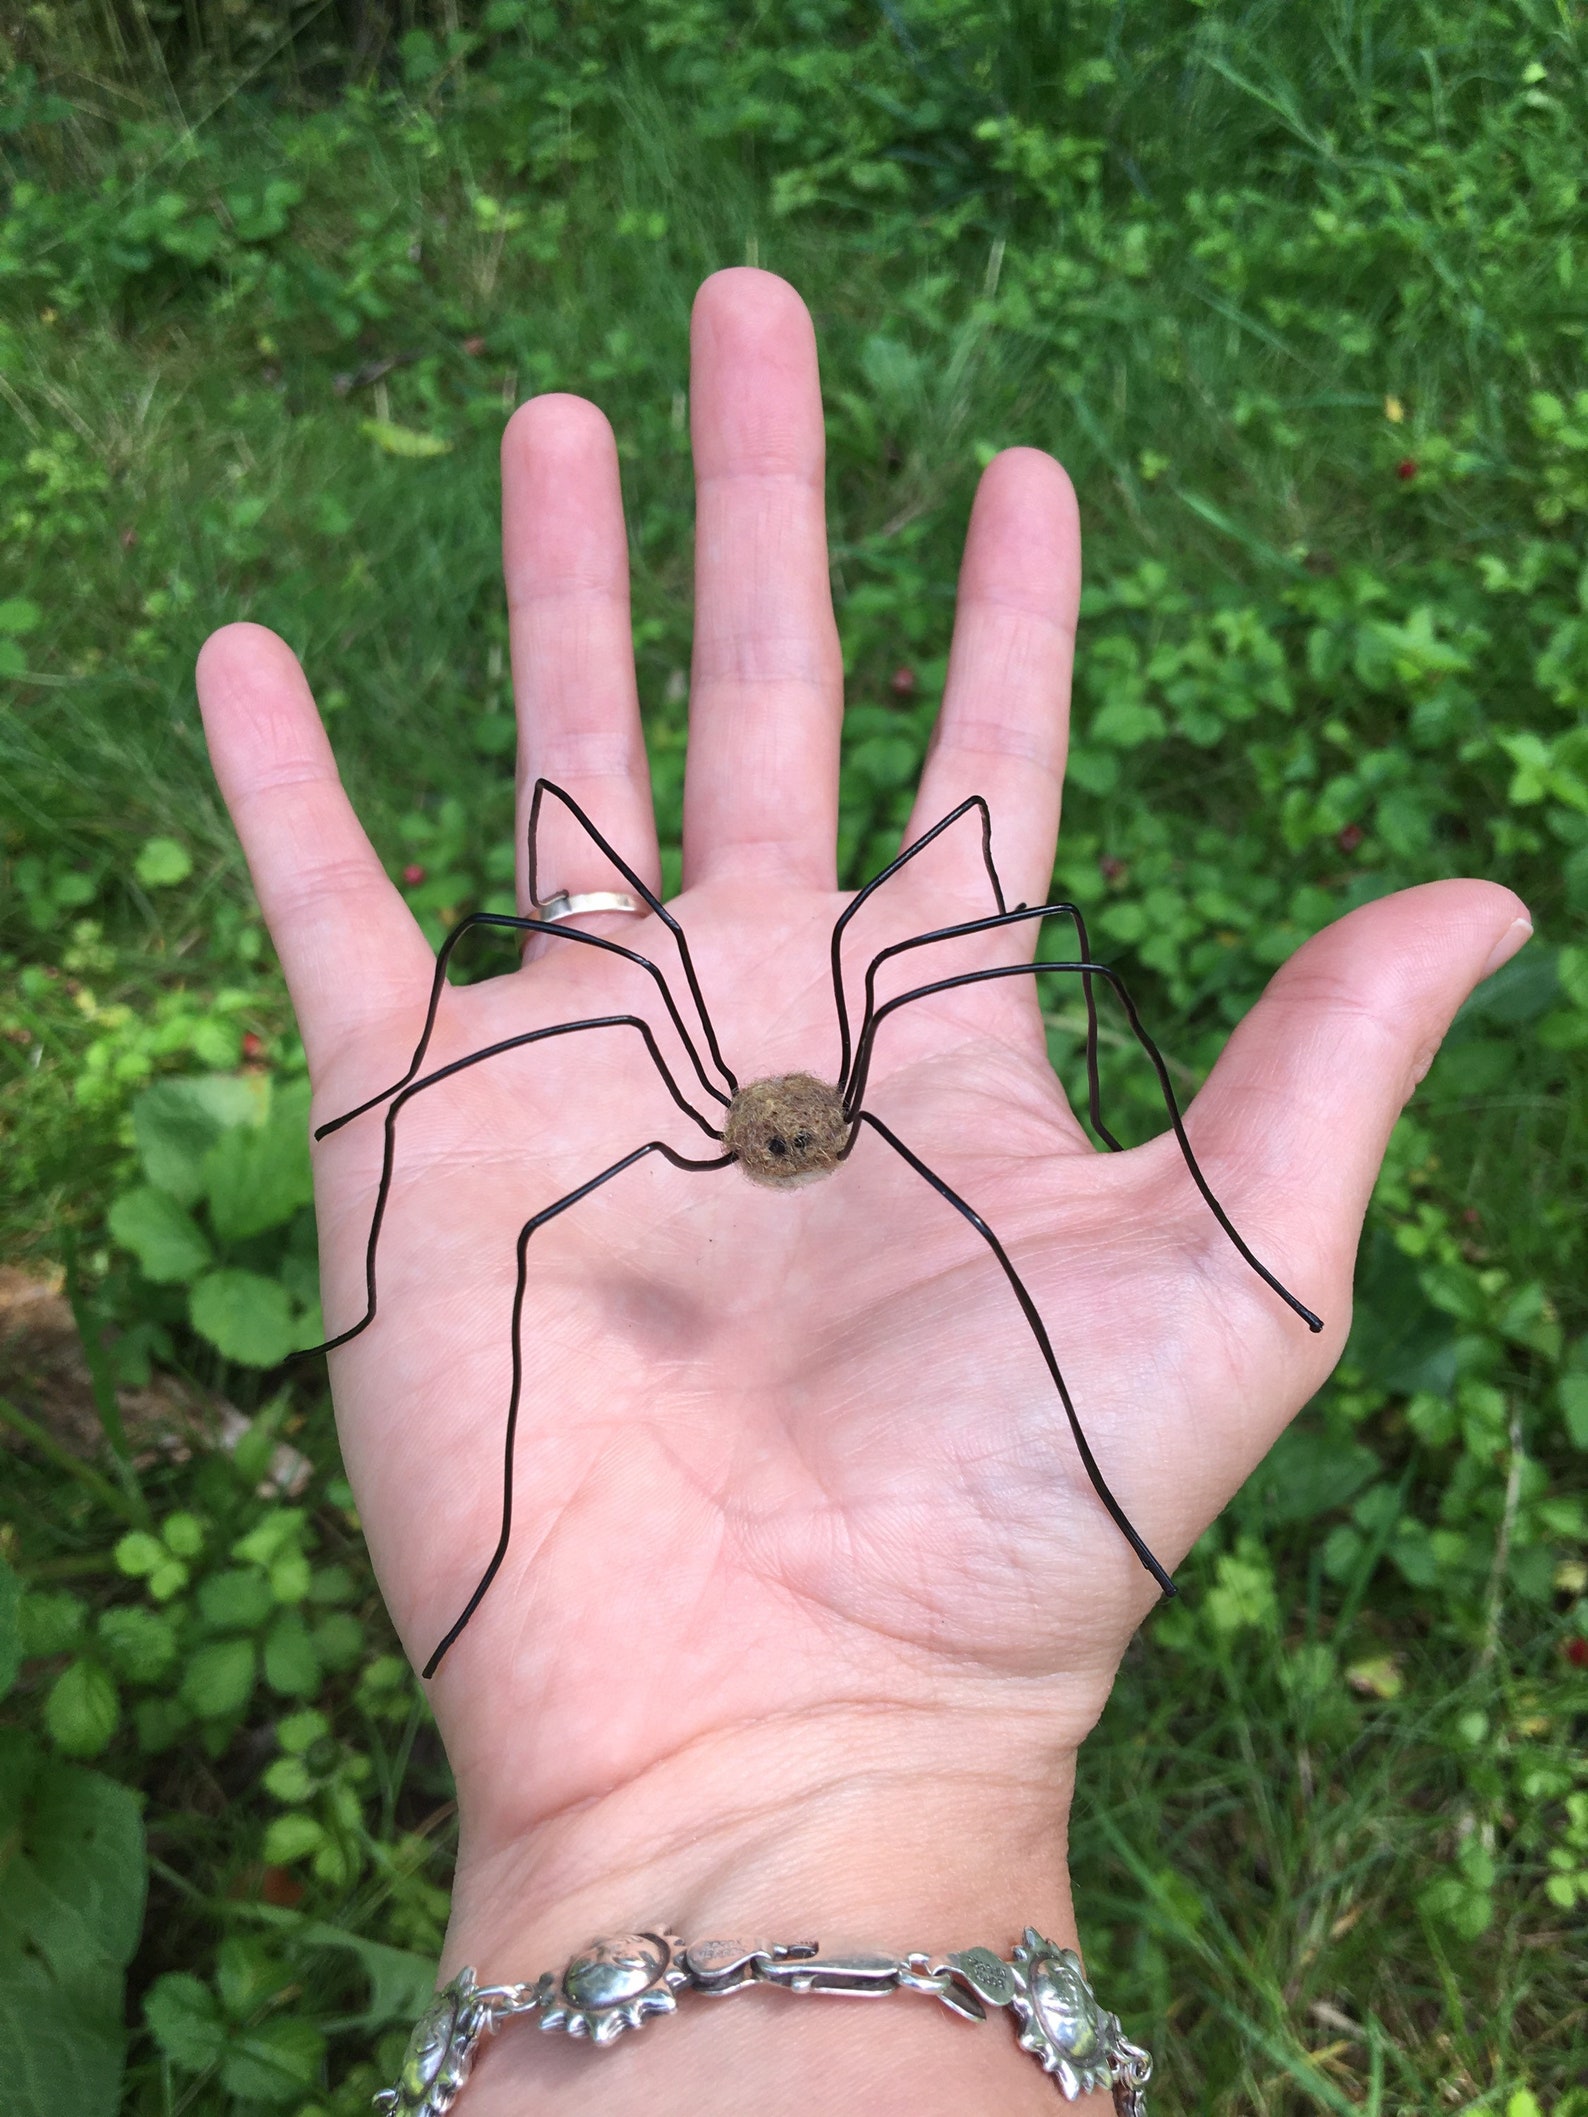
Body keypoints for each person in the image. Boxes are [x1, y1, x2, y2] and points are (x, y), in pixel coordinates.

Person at [195, 270, 1530, 2115]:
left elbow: (1023, 924)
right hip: (741, 1101)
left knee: (1002, 922)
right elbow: (521, 1037)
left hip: (838, 1103)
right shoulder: (690, 1090)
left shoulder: (872, 1054)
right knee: (528, 1079)